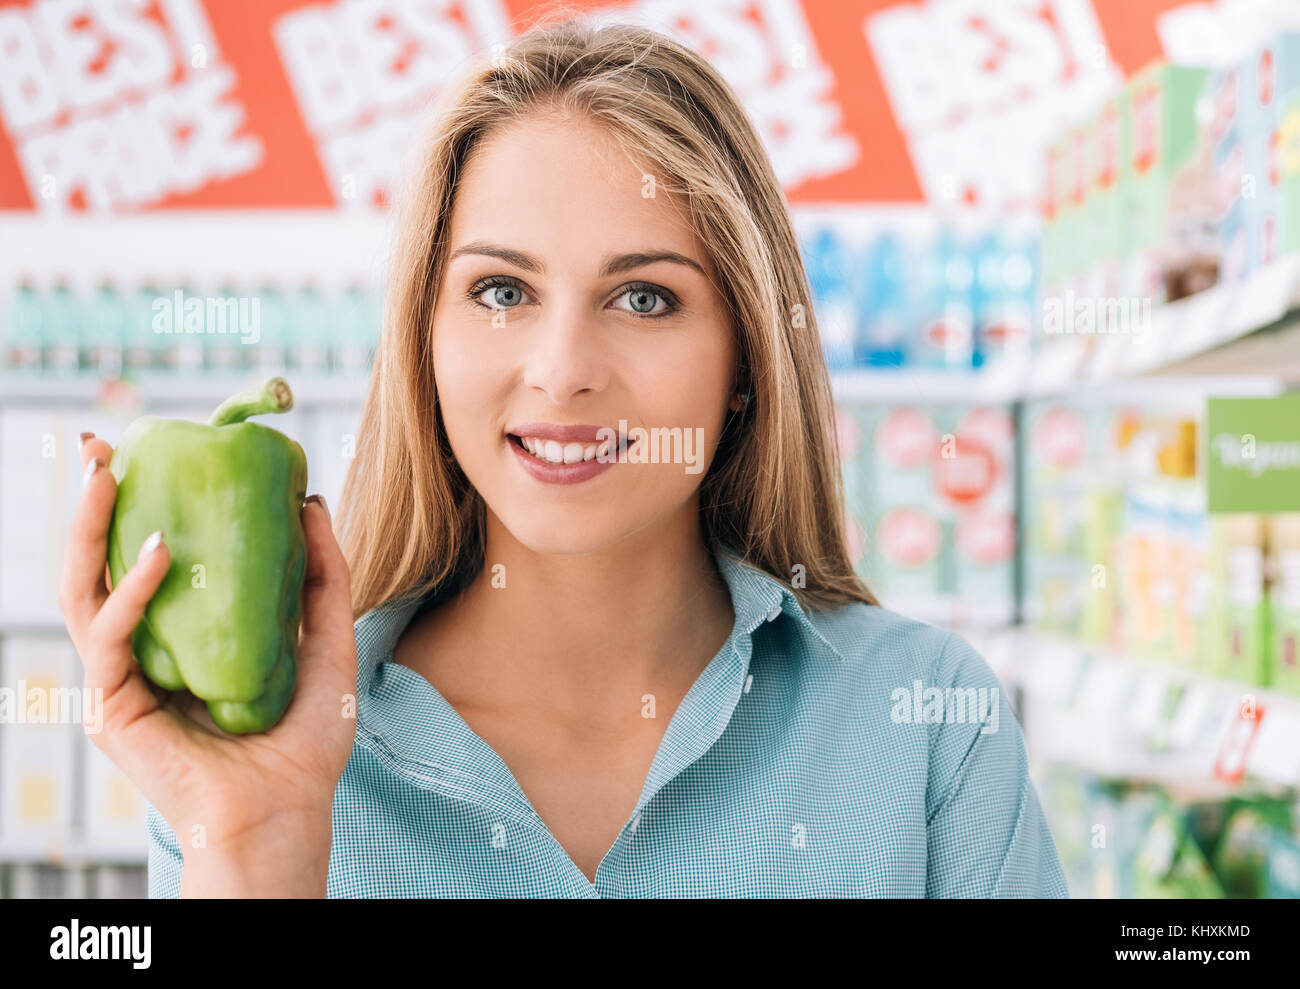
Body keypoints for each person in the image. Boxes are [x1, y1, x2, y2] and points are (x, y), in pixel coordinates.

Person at [61, 16, 1068, 898]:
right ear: (425, 337)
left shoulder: (926, 724)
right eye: (501, 290)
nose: (561, 370)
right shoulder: (257, 748)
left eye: (644, 297)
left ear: (746, 357)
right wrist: (253, 849)